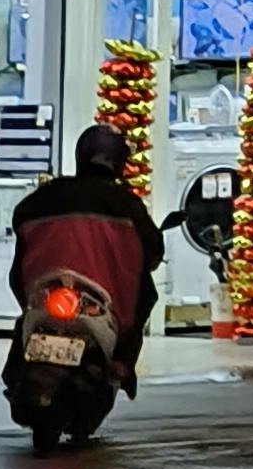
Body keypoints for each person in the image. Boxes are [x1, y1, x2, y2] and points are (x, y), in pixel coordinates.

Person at [10, 123, 169, 393]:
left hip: (48, 295)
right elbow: (152, 252)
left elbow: (19, 257)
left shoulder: (44, 197)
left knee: (25, 316)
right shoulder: (126, 204)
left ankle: (15, 370)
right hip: (98, 303)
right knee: (146, 295)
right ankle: (122, 363)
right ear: (119, 163)